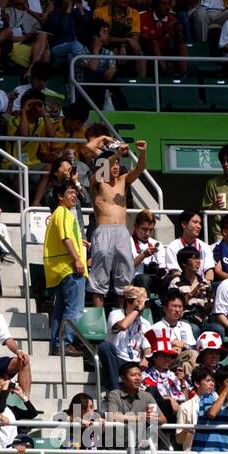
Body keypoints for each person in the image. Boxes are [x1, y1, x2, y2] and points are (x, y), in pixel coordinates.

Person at [87, 138, 148, 307]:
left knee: (124, 276)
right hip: (103, 230)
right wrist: (117, 154)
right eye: (112, 164)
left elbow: (140, 169)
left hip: (122, 231)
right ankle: (98, 318)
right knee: (99, 276)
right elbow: (102, 169)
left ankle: (122, 315)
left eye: (117, 164)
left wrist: (142, 152)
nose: (115, 167)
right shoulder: (96, 182)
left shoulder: (123, 180)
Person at [44, 179, 85, 356]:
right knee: (74, 309)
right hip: (69, 268)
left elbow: (68, 238)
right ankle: (65, 343)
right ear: (60, 196)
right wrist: (77, 259)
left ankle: (56, 345)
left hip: (61, 269)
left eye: (75, 192)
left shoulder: (59, 214)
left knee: (59, 310)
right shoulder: (63, 213)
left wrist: (80, 242)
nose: (74, 195)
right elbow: (65, 238)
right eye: (69, 192)